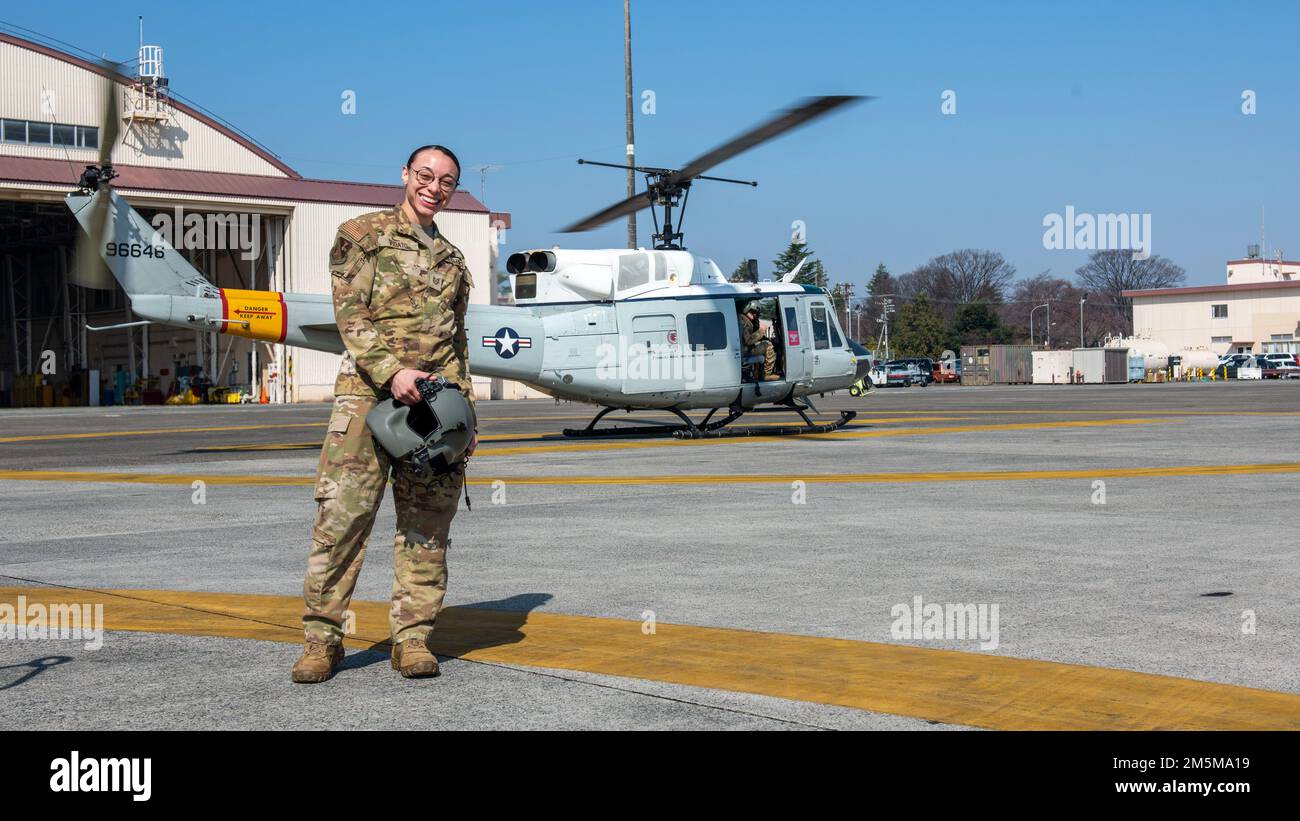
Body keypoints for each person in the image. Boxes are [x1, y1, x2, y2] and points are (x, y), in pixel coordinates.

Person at [292, 144, 478, 683]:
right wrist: (392, 371)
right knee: (343, 520)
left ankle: (413, 640)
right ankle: (321, 641)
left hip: (436, 411)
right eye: (426, 175)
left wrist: (465, 419)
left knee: (426, 526)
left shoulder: (454, 261)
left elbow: (456, 344)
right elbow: (350, 313)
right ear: (405, 175)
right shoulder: (363, 235)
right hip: (368, 399)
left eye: (446, 181)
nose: (434, 187)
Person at [740, 301, 778, 381]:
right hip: (745, 350)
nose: (755, 314)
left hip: (746, 349)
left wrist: (764, 337)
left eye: (756, 313)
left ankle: (758, 374)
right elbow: (748, 341)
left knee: (769, 343)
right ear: (746, 309)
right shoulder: (743, 321)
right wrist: (761, 331)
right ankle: (766, 375)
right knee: (769, 346)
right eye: (753, 312)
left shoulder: (749, 321)